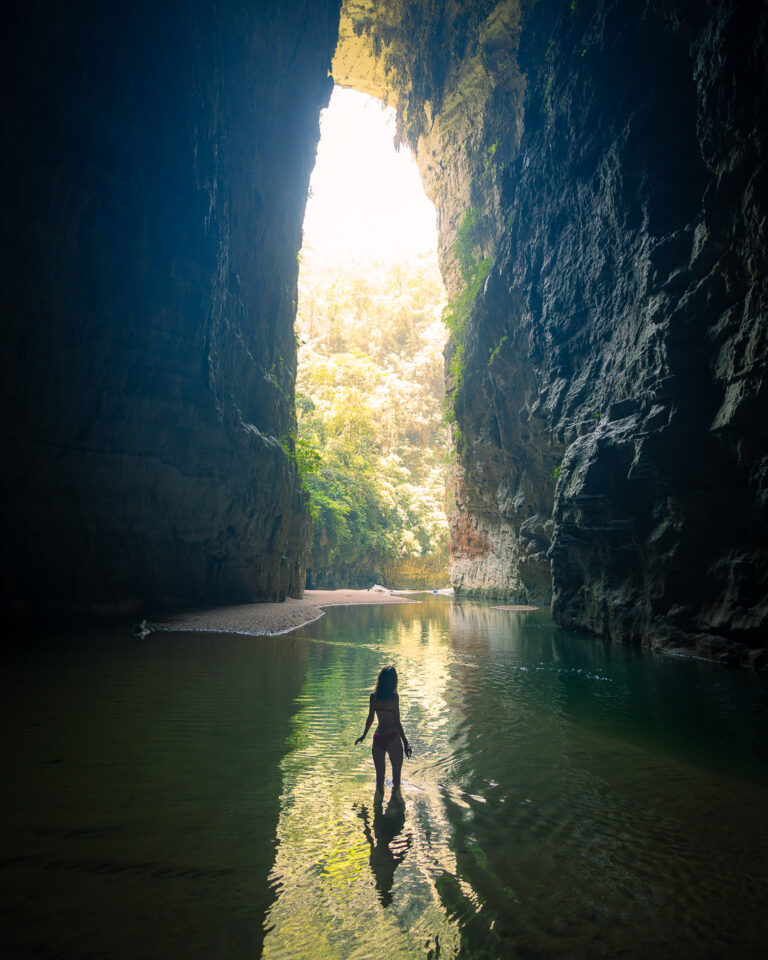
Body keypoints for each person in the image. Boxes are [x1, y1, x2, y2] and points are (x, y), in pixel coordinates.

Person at [355, 665, 412, 794]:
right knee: (396, 781)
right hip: (392, 738)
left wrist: (363, 735)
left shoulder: (373, 696)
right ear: (393, 681)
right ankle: (395, 802)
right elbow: (397, 722)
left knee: (379, 781)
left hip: (378, 738)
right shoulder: (394, 698)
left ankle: (378, 804)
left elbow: (370, 718)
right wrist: (406, 742)